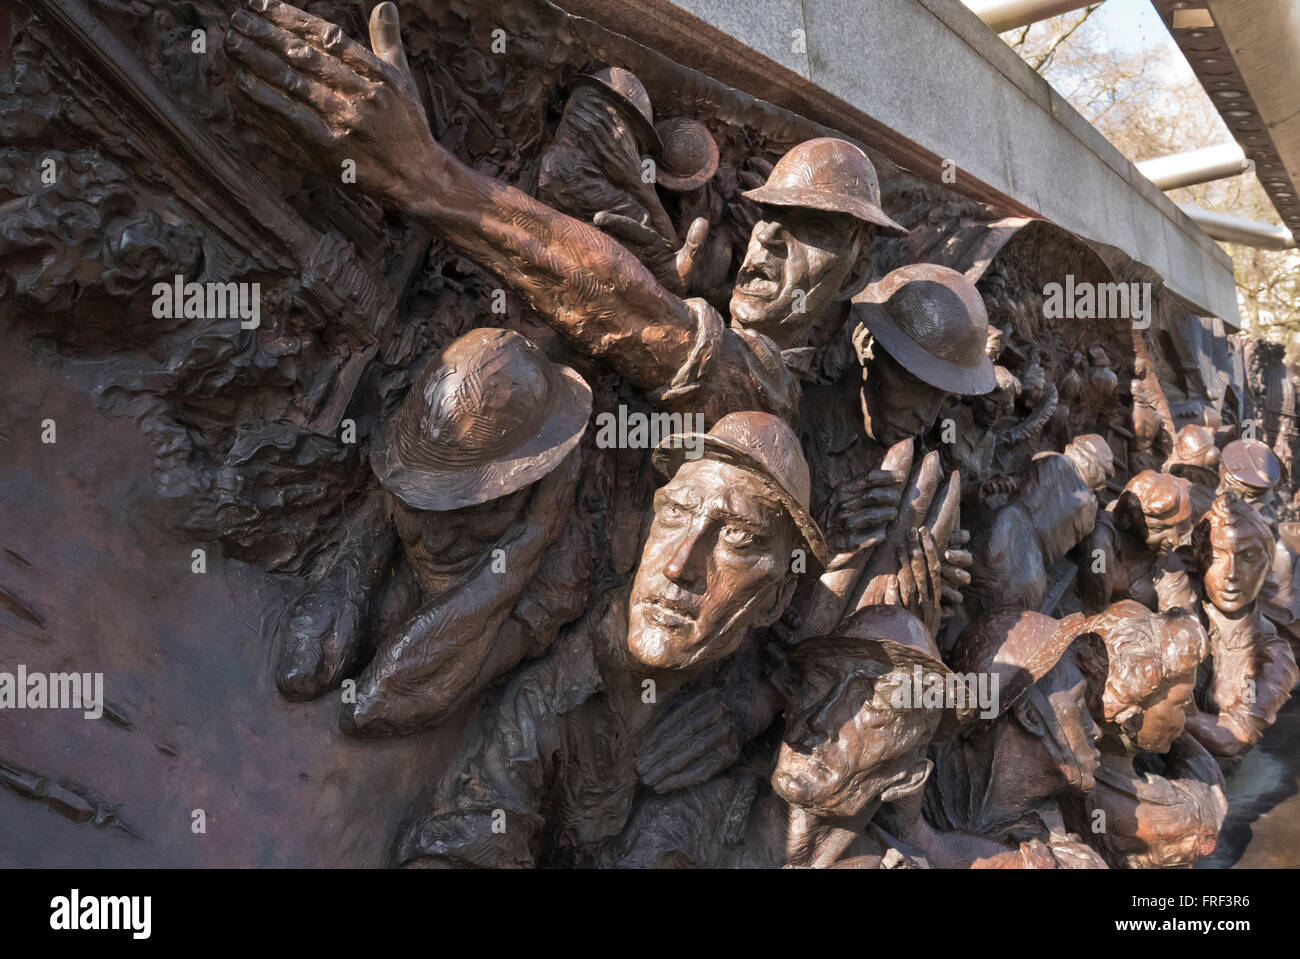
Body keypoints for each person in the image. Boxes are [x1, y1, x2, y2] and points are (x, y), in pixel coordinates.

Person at [225, 0, 906, 428]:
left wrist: (427, 176)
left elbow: (638, 315)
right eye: (770, 217)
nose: (771, 243)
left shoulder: (764, 391)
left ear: (853, 277)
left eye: (813, 232)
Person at [395, 412, 823, 866]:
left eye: (737, 536)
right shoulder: (548, 699)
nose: (680, 566)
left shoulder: (762, 696)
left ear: (776, 600)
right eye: (676, 513)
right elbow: (469, 841)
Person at [272, 329, 593, 739]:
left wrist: (534, 538)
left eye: (478, 508)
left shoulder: (552, 538)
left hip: (496, 605)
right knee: (305, 666)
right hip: (421, 582)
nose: (439, 534)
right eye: (419, 500)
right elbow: (302, 661)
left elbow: (377, 705)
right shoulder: (405, 481)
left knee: (374, 699)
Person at [591, 605, 951, 868]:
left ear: (905, 778)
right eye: (818, 684)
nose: (822, 718)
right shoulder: (687, 824)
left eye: (875, 709)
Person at [917, 608, 1108, 869]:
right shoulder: (917, 785)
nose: (1096, 730)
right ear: (1029, 715)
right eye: (1079, 704)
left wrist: (927, 841)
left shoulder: (1069, 859)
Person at [1066, 601, 1227, 869]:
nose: (1193, 712)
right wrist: (1180, 735)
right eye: (1182, 701)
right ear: (1130, 717)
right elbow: (1209, 790)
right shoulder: (1154, 817)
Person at [1184, 493, 1298, 770]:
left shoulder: (1272, 657)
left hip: (1207, 772)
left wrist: (1170, 715)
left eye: (1248, 557)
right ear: (1199, 559)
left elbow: (1235, 737)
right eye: (1216, 556)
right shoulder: (1177, 603)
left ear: (1267, 566)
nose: (1231, 573)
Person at [1079, 469, 1196, 614]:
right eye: (1160, 529)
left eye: (1180, 529)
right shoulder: (1102, 530)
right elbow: (1096, 555)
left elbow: (1182, 623)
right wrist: (1105, 571)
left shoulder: (1171, 570)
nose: (1174, 540)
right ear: (1130, 520)